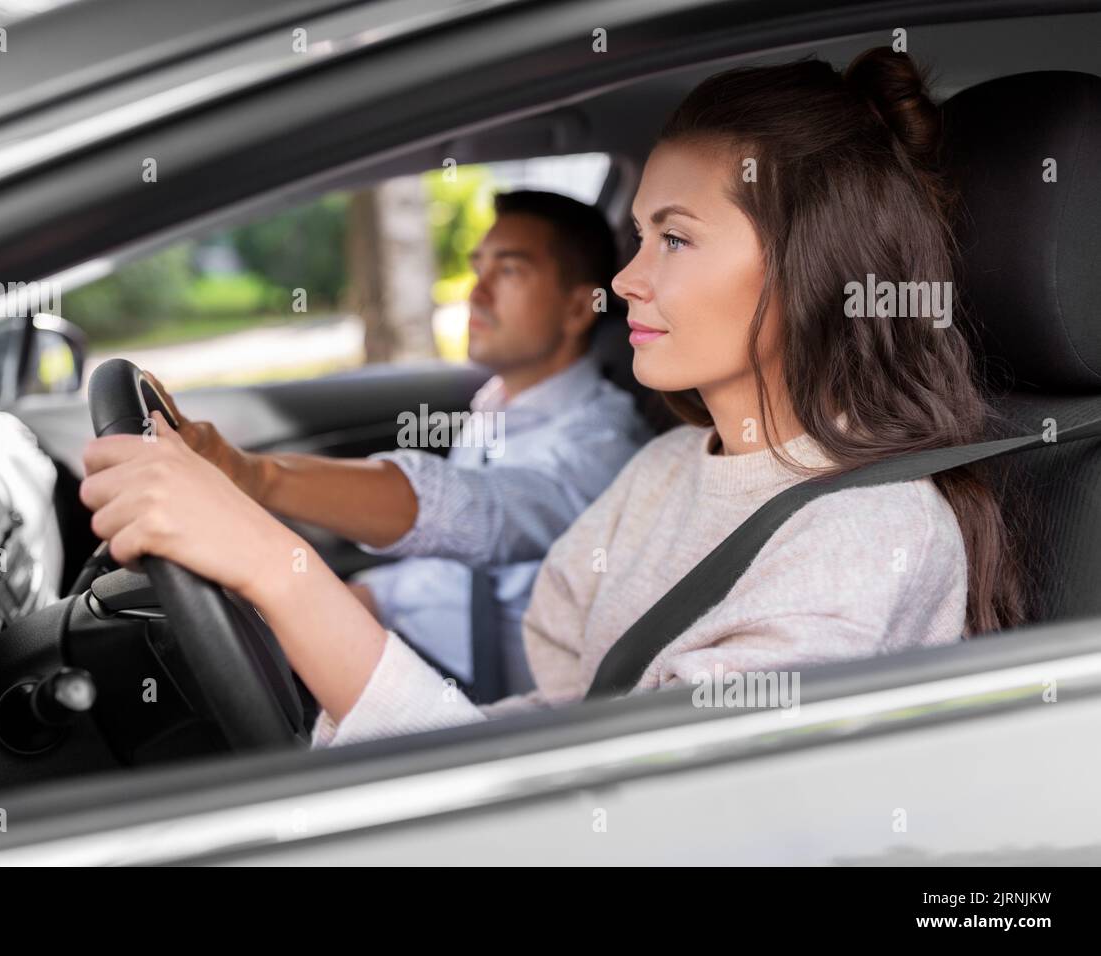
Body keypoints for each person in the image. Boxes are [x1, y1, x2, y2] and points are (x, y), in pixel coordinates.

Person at [80, 47, 1023, 748]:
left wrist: (267, 560)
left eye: (675, 239)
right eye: (637, 234)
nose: (626, 281)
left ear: (814, 270)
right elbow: (560, 726)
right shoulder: (664, 468)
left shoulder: (862, 538)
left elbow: (624, 825)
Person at [143, 190, 650, 697]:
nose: (477, 293)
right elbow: (439, 577)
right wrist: (354, 599)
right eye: (480, 268)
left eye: (510, 272)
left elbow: (482, 513)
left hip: (481, 705)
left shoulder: (603, 447)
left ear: (580, 307)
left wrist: (251, 475)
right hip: (408, 639)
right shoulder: (498, 403)